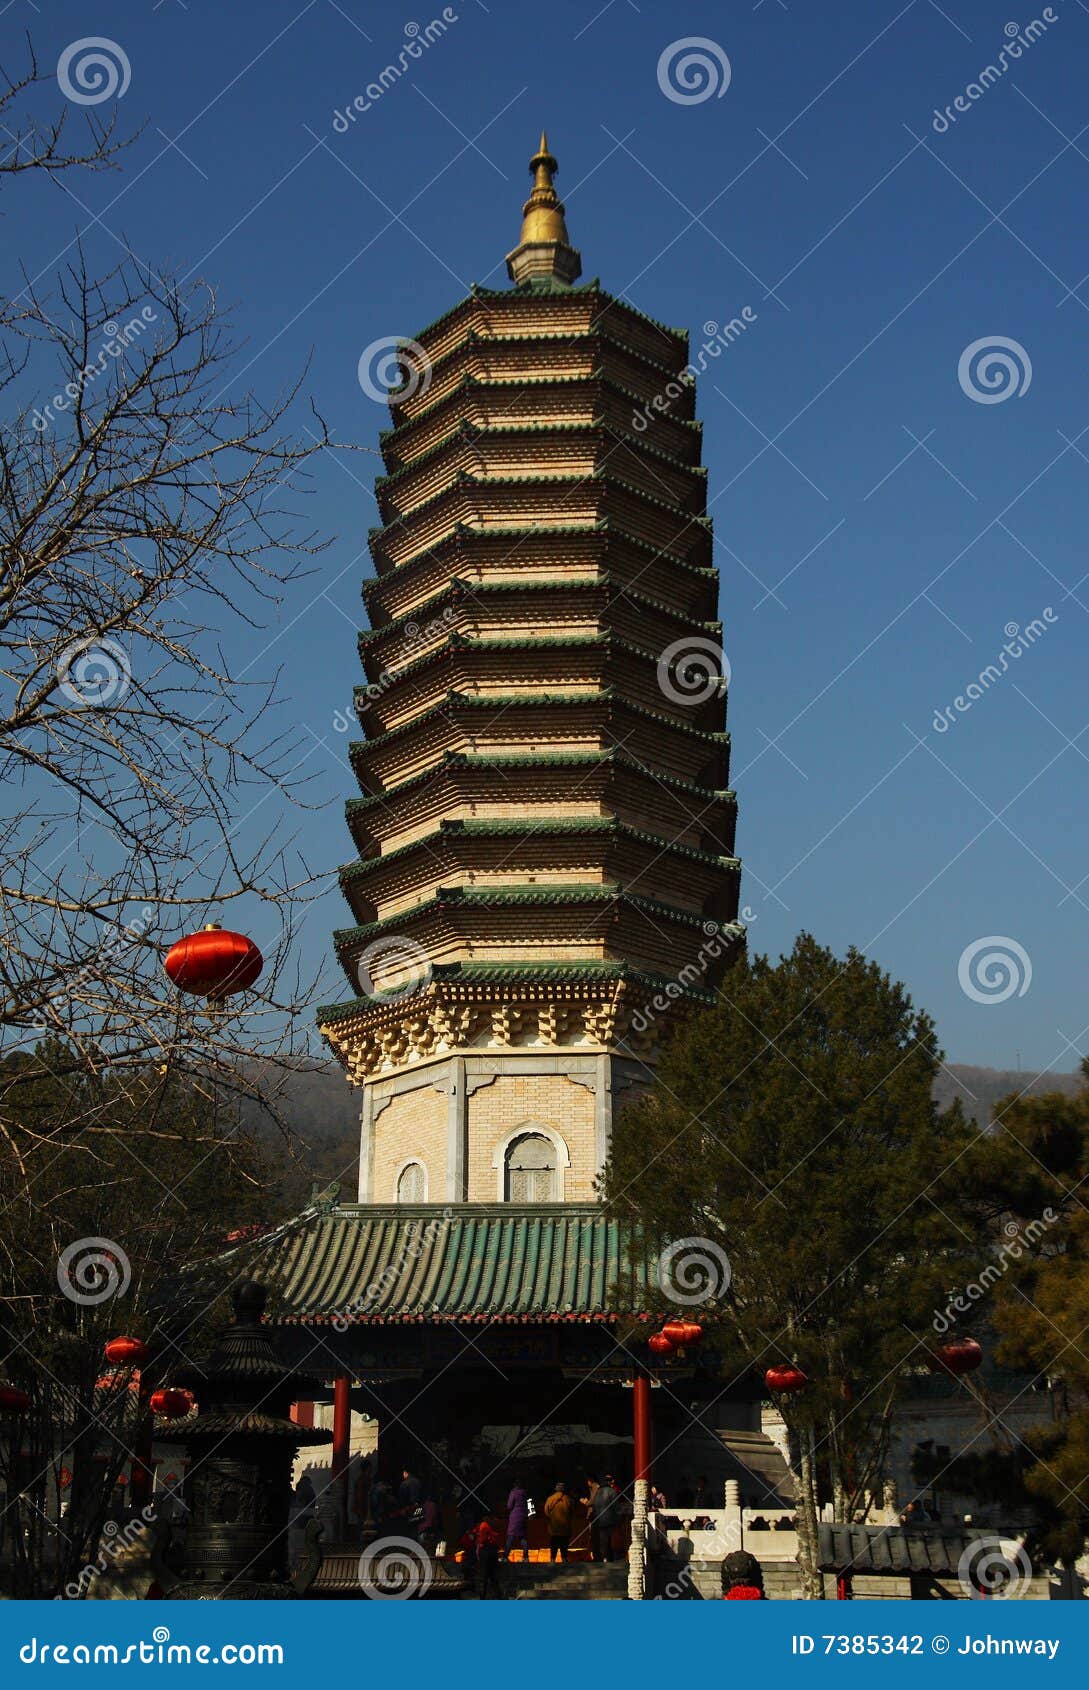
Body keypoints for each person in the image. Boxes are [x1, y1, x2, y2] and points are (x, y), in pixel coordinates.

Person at [468, 1510, 504, 1599]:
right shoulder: (491, 1525)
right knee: (493, 1576)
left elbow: (482, 1540)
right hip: (492, 1551)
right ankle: (498, 1596)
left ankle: (483, 1597)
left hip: (486, 1552)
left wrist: (477, 1540)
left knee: (484, 1576)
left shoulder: (484, 1525)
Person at [588, 1473, 622, 1564]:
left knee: (604, 1540)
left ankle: (605, 1558)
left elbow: (594, 1506)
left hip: (600, 1520)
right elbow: (616, 1507)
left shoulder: (598, 1492)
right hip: (610, 1520)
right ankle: (610, 1558)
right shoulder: (612, 1491)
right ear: (609, 1482)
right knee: (611, 1540)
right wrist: (618, 1516)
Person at [544, 1480, 574, 1562]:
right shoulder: (568, 1499)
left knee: (554, 1545)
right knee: (564, 1545)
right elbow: (572, 1512)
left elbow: (546, 1512)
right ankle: (564, 1559)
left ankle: (553, 1559)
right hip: (565, 1527)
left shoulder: (550, 1499)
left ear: (556, 1489)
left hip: (554, 1527)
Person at [504, 1479, 529, 1561]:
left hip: (515, 1517)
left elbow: (509, 1505)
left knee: (510, 1536)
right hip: (523, 1516)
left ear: (515, 1485)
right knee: (523, 1537)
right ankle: (526, 1557)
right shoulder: (525, 1493)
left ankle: (505, 1557)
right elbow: (530, 1503)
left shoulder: (514, 1492)